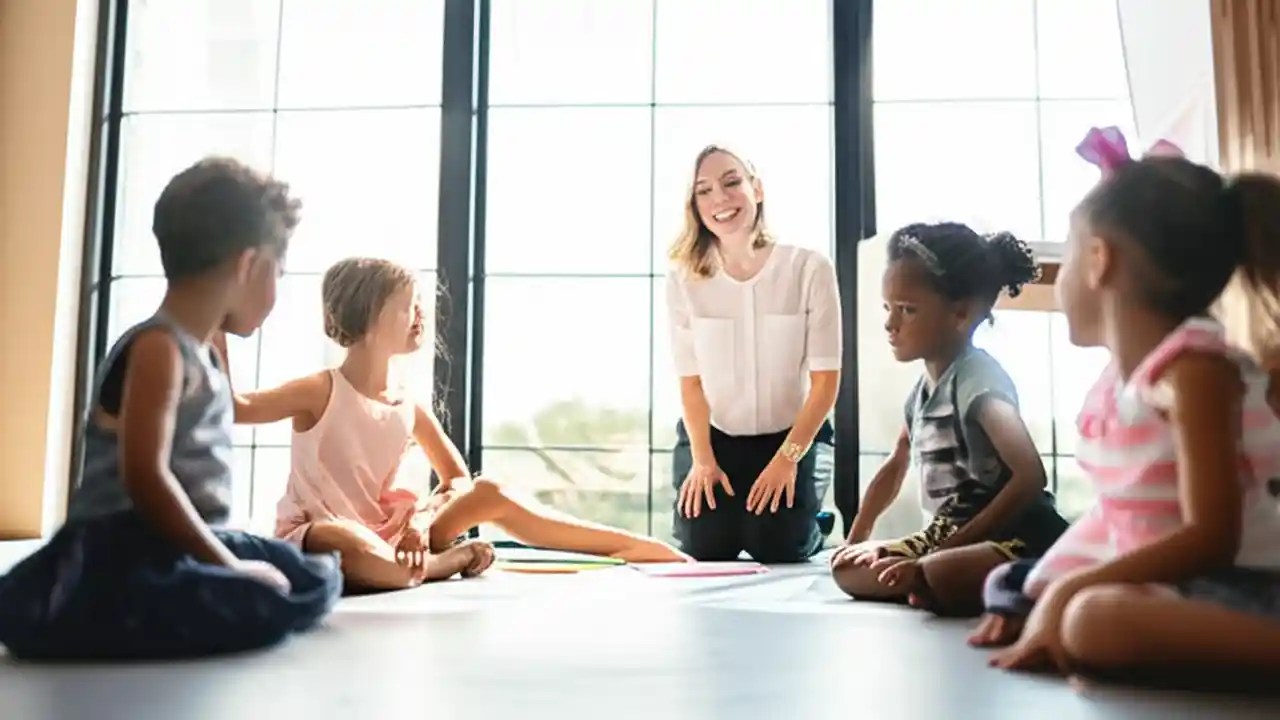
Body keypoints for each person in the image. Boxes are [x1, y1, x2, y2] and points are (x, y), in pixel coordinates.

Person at [972, 127, 1280, 686]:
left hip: (1247, 581)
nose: (1058, 278)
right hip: (1187, 579)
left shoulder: (1194, 370)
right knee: (1019, 583)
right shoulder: (1123, 381)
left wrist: (1070, 589)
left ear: (1098, 260)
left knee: (1091, 620)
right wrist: (1044, 589)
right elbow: (1115, 516)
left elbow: (1213, 537)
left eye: (1063, 259)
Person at [0, 157, 341, 660]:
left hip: (189, 540)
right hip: (124, 549)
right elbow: (146, 478)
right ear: (248, 265)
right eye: (278, 272)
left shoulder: (205, 352)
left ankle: (218, 582)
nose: (276, 293)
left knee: (313, 573)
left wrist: (227, 554)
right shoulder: (160, 348)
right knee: (254, 594)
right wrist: (227, 564)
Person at [222, 257, 689, 592]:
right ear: (368, 316)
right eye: (408, 305)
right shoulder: (320, 389)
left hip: (401, 536)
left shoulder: (408, 402)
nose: (421, 315)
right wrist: (214, 327)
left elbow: (456, 479)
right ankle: (452, 562)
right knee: (348, 541)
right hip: (324, 530)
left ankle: (641, 547)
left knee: (490, 491)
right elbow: (237, 406)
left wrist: (420, 523)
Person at [829, 222, 1069, 616]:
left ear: (959, 313)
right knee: (849, 570)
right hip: (947, 534)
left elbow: (1030, 476)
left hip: (1014, 535)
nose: (891, 324)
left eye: (907, 310)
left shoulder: (978, 381)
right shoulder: (923, 391)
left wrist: (944, 550)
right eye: (888, 308)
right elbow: (897, 462)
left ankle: (1034, 574)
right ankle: (938, 576)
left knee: (937, 572)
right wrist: (854, 539)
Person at [665, 144, 839, 563]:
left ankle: (816, 521)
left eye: (731, 183)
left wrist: (788, 460)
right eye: (703, 191)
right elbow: (691, 383)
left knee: (777, 545)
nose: (720, 200)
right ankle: (724, 505)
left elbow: (825, 382)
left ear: (756, 189)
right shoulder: (684, 279)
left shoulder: (809, 267)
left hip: (789, 437)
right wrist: (703, 461)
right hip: (713, 438)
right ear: (694, 206)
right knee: (705, 546)